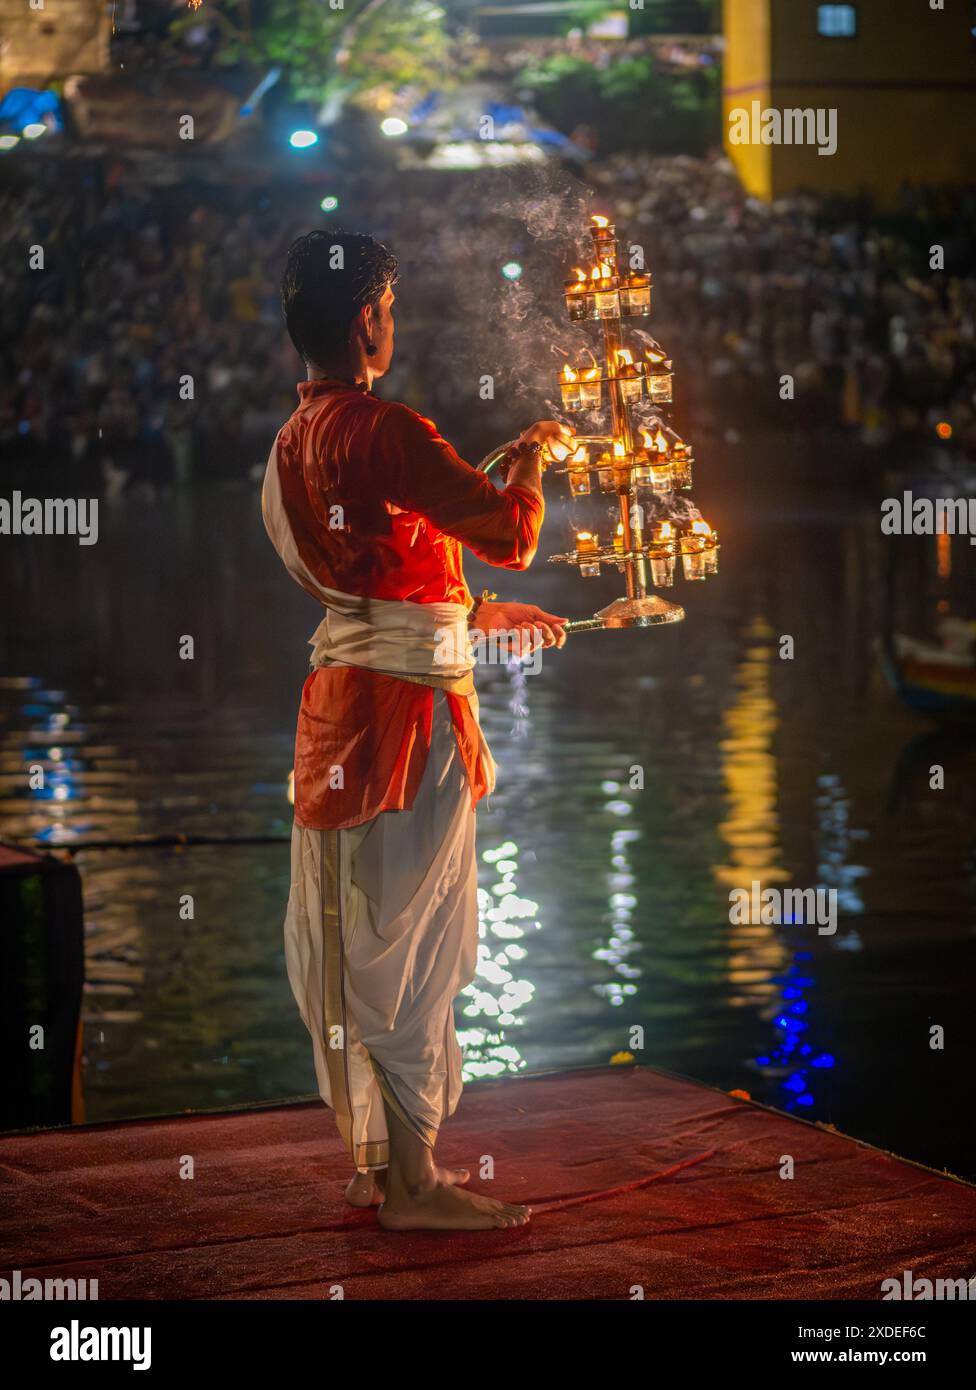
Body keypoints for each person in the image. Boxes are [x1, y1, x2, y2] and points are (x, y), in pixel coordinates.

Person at [263, 230, 572, 1231]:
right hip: (407, 727)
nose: (392, 322)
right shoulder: (386, 427)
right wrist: (527, 460)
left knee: (361, 936)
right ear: (367, 318)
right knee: (409, 949)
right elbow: (513, 535)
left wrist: (475, 617)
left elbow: (375, 581)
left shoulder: (293, 439)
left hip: (346, 711)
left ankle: (377, 1165)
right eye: (389, 305)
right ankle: (413, 1186)